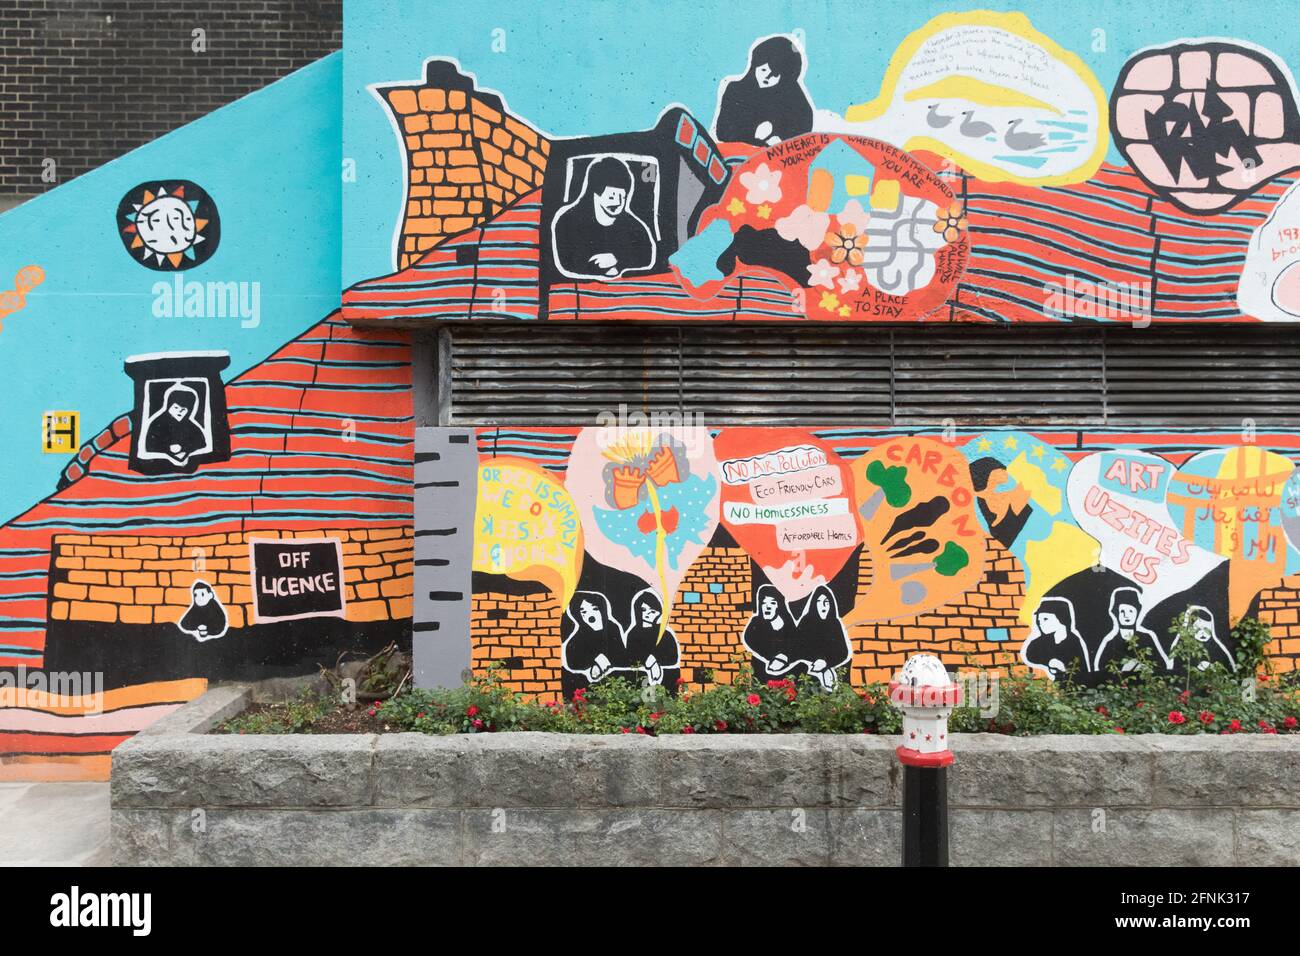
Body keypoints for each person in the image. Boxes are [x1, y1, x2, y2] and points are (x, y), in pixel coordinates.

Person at [551, 157, 656, 279]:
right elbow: (567, 263)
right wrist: (597, 267)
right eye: (611, 197)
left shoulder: (634, 226)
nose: (618, 203)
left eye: (622, 197)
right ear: (595, 193)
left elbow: (647, 257)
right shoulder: (568, 221)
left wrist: (617, 258)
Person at [714, 35, 814, 147]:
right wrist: (756, 139)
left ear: (785, 78)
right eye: (763, 69)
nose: (767, 76)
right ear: (754, 66)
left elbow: (801, 138)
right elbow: (723, 132)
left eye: (775, 74)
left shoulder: (795, 100)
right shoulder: (736, 90)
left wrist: (775, 137)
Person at [1092, 587, 1169, 676]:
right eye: (1122, 611)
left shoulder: (1147, 638)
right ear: (1117, 614)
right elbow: (1101, 670)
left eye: (1131, 611)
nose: (1126, 615)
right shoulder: (1110, 641)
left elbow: (1161, 665)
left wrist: (1142, 667)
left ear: (1137, 612)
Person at [792, 585, 852, 690]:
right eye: (819, 602)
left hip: (827, 668)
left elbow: (843, 652)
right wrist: (816, 661)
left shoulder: (835, 623)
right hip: (807, 674)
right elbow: (796, 648)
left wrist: (826, 663)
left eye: (826, 602)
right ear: (814, 604)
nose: (823, 606)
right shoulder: (806, 622)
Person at [969, 456, 1033, 549]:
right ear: (989, 474)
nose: (1005, 471)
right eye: (1000, 469)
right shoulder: (984, 499)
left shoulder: (990, 497)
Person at [1021, 597, 1091, 681]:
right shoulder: (1042, 640)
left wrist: (1064, 667)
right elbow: (1030, 654)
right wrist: (1049, 661)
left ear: (1061, 618)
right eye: (1039, 620)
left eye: (1045, 619)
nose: (1040, 624)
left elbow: (1081, 670)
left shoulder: (1073, 641)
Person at [560, 591, 625, 682]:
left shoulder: (612, 627)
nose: (590, 615)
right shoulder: (580, 635)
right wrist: (596, 659)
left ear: (602, 610)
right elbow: (573, 662)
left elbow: (620, 654)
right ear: (579, 616)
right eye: (584, 612)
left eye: (594, 609)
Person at [142, 382, 209, 467]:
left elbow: (200, 443)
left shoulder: (191, 426)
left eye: (184, 409)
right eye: (176, 407)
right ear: (169, 406)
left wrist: (184, 449)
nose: (179, 412)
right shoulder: (157, 423)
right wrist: (168, 449)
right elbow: (150, 445)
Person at [622, 589, 680, 686]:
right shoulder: (633, 634)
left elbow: (673, 657)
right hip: (640, 680)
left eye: (652, 611)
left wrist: (656, 661)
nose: (648, 614)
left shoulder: (664, 633)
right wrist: (649, 661)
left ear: (658, 613)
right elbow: (631, 657)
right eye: (644, 610)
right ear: (637, 611)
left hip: (665, 680)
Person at [1168, 605, 1236, 672]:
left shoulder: (1218, 649)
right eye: (1198, 629)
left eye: (1206, 629)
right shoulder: (1183, 649)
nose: (1203, 633)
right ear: (1189, 628)